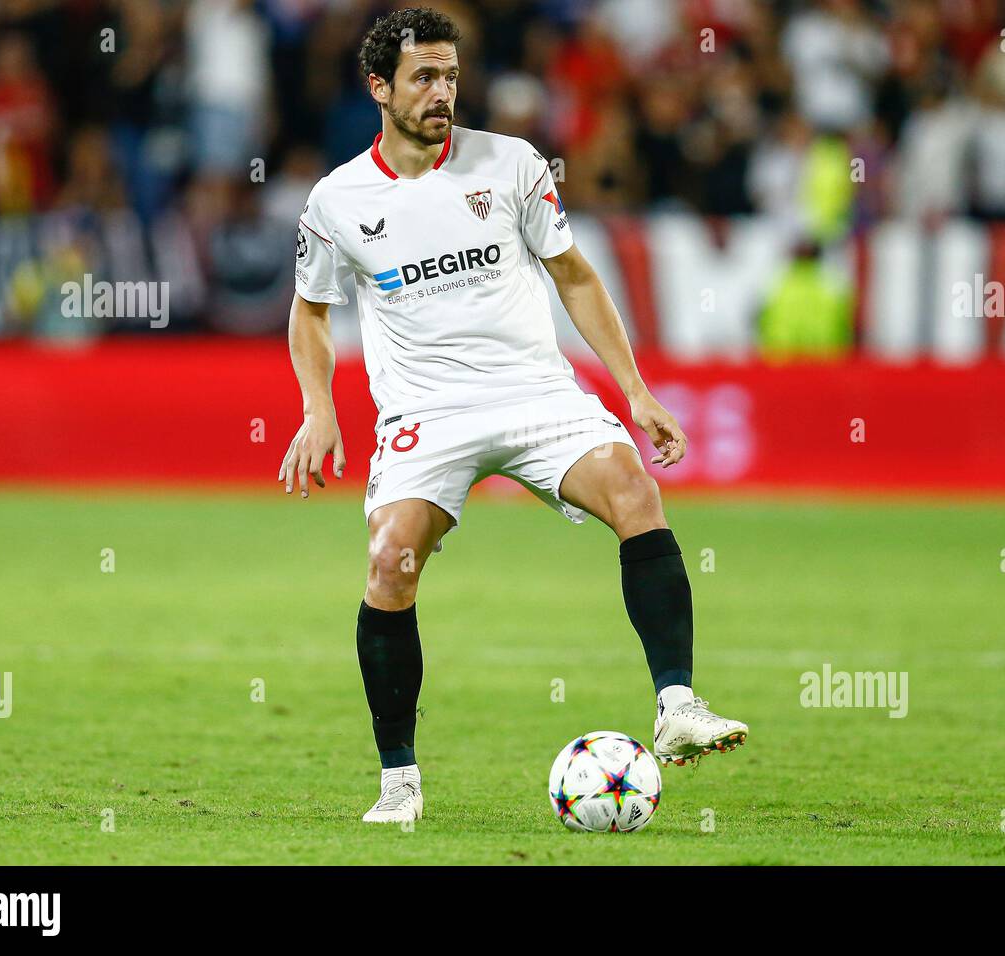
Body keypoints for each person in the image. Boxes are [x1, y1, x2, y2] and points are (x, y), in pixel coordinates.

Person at [279, 7, 747, 824]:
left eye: (451, 76)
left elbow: (573, 275)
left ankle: (677, 707)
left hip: (535, 392)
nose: (442, 93)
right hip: (426, 411)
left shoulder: (513, 163)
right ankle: (399, 784)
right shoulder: (338, 200)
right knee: (391, 564)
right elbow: (311, 312)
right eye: (423, 77)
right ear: (379, 87)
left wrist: (634, 391)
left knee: (635, 493)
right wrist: (318, 406)